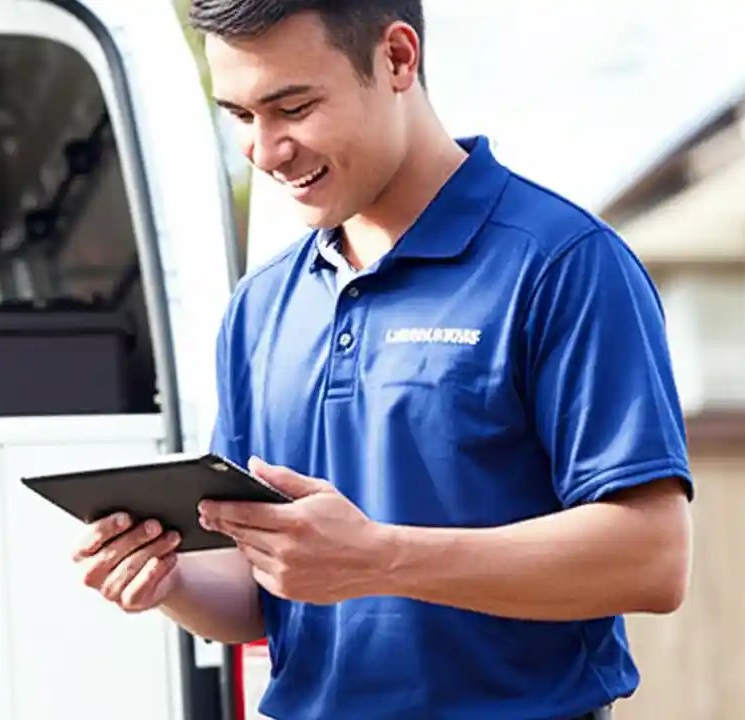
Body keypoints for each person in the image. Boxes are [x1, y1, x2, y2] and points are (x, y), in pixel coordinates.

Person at [71, 1, 694, 718]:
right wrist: (168, 580)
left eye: (293, 107)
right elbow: (256, 591)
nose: (267, 151)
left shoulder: (561, 264)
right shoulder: (261, 307)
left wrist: (377, 557)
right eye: (242, 117)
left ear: (398, 59)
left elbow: (651, 558)